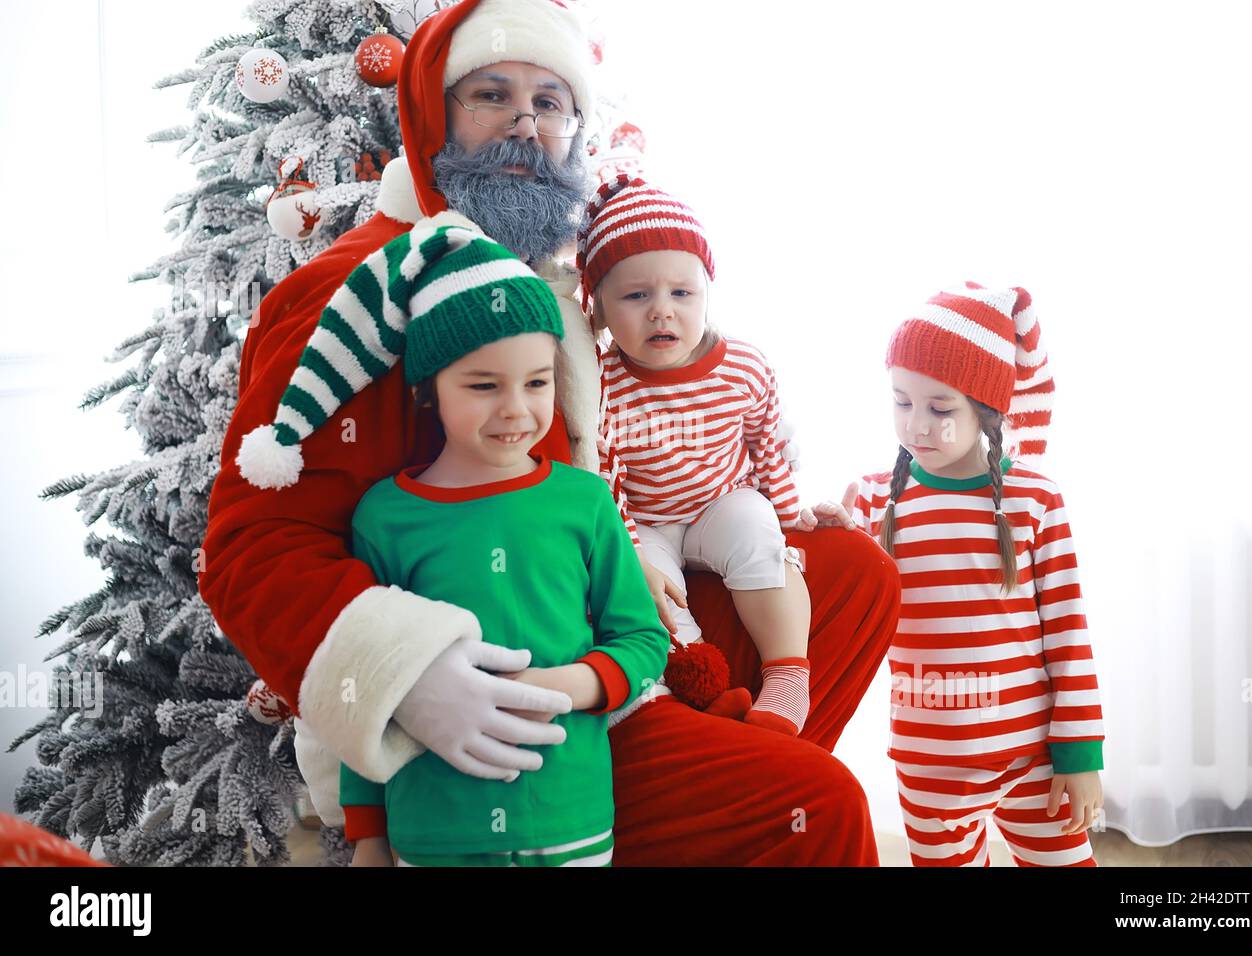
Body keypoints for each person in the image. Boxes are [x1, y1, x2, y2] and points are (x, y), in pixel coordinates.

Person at [199, 0, 901, 866]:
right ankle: (727, 803)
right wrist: (411, 676)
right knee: (817, 802)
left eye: (553, 103)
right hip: (499, 699)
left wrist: (746, 518)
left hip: (599, 637)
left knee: (849, 573)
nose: (527, 126)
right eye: (492, 95)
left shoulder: (549, 284)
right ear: (432, 119)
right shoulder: (360, 294)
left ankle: (719, 802)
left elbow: (648, 442)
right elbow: (250, 546)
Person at [236, 221, 671, 866]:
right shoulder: (387, 518)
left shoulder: (585, 501)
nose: (516, 410)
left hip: (573, 822)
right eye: (483, 385)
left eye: (537, 381)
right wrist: (369, 838)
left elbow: (642, 639)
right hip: (432, 834)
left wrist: (565, 686)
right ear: (428, 390)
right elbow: (369, 684)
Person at [812, 282, 1105, 866]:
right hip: (927, 760)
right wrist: (828, 541)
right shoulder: (873, 501)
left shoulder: (1035, 500)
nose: (917, 426)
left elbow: (1070, 637)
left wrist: (1081, 756)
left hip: (1032, 758)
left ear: (987, 412)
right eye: (902, 402)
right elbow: (835, 609)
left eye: (940, 408)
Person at [576, 176, 817, 737]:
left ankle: (787, 675)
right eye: (636, 296)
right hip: (648, 521)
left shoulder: (744, 367)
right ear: (602, 307)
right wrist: (633, 549)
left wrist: (787, 516)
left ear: (707, 292)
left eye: (681, 293)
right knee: (637, 589)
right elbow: (605, 475)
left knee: (755, 527)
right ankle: (700, 680)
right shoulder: (601, 382)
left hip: (719, 502)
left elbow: (765, 445)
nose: (662, 312)